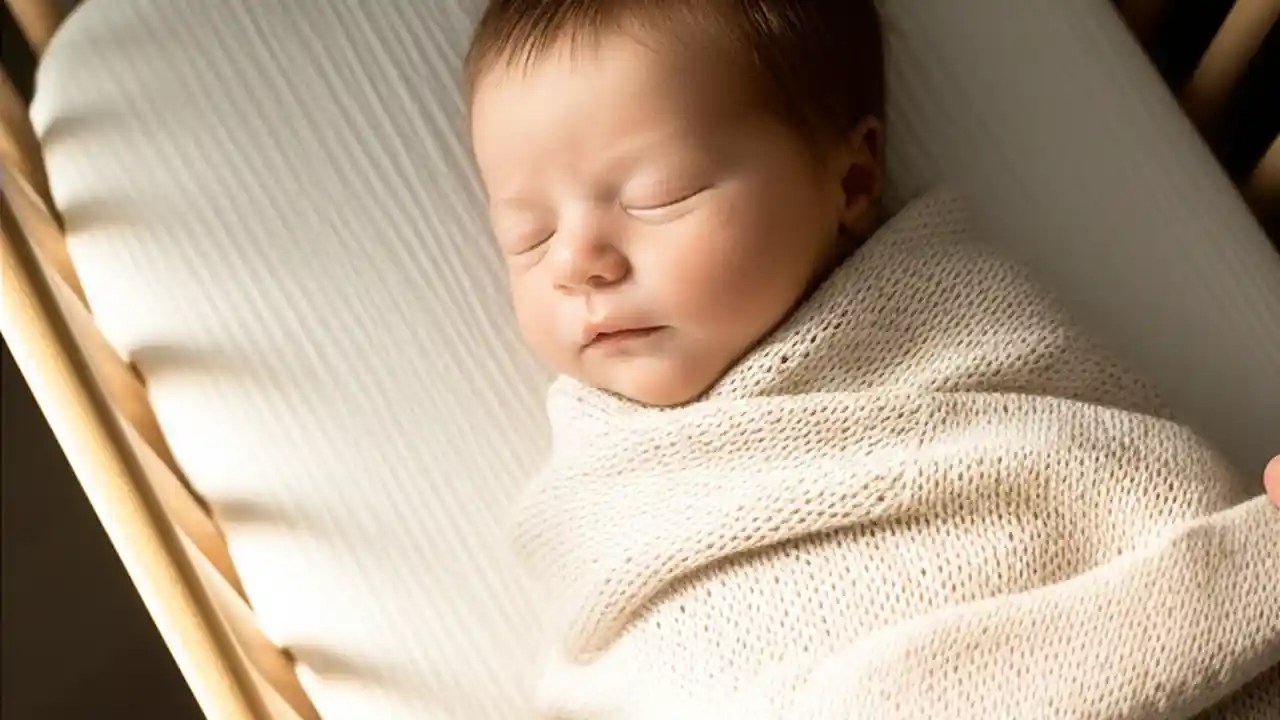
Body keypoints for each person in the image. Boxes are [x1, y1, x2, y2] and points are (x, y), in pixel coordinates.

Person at [465, 1, 1280, 717]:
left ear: (851, 181)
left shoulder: (970, 350)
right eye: (526, 236)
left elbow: (1109, 485)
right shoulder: (601, 503)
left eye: (659, 196)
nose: (578, 262)